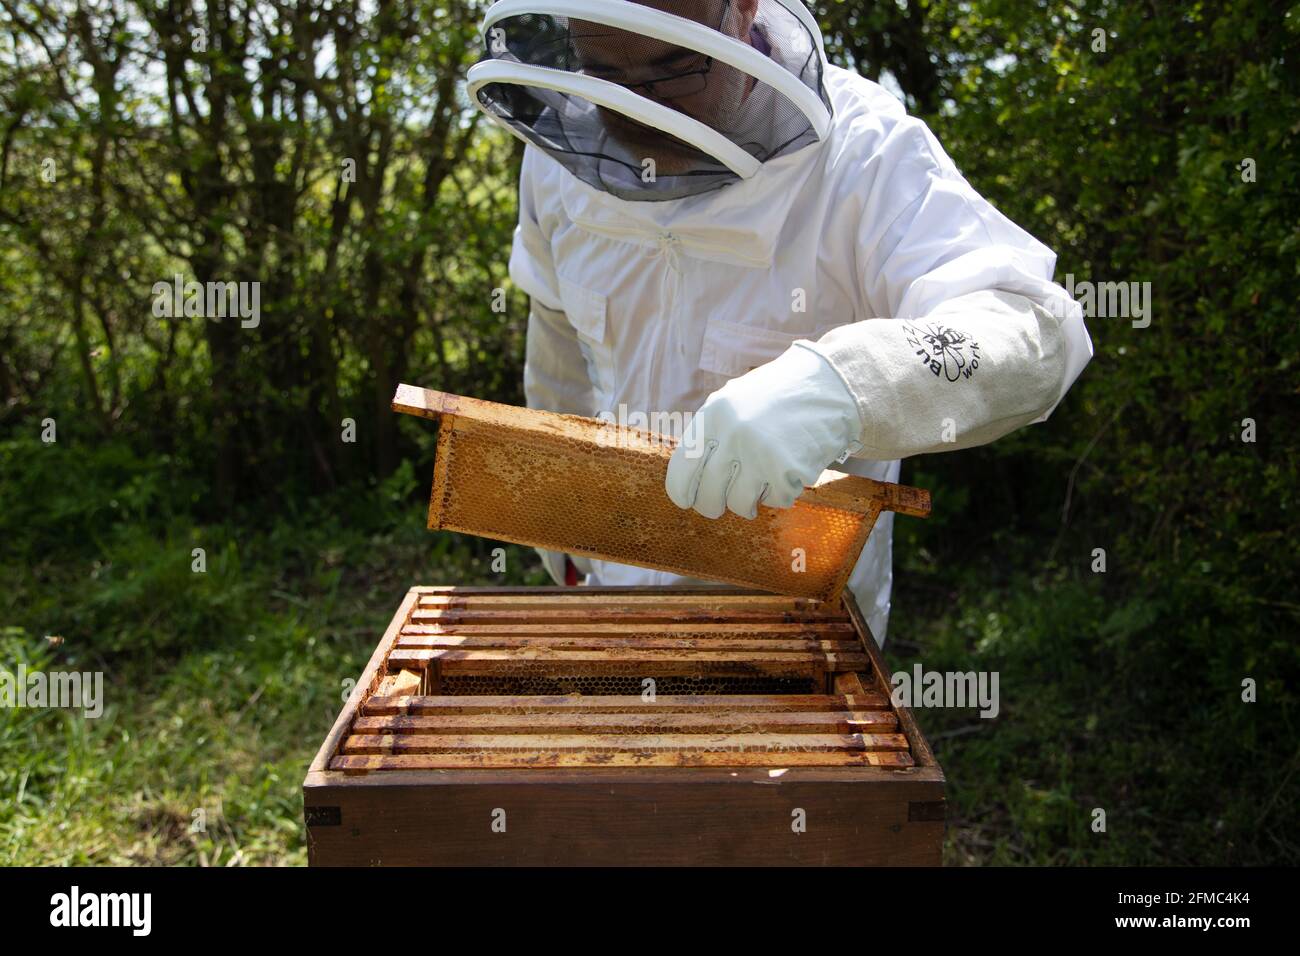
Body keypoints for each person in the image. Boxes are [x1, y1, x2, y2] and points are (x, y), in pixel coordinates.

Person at [467, 0, 1092, 643]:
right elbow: (559, 356)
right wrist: (561, 524)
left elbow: (1035, 330)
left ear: (743, 8)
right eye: (604, 72)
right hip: (613, 601)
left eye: (674, 66)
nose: (634, 109)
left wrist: (843, 386)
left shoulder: (865, 154)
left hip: (801, 627)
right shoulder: (558, 154)